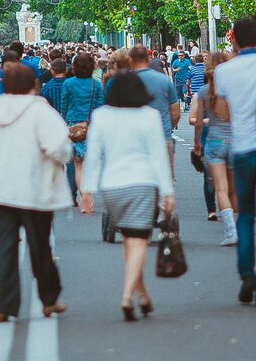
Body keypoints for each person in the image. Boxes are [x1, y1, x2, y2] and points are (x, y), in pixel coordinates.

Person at [0, 62, 70, 323]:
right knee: (40, 246)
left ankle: (4, 304)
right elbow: (57, 146)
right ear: (33, 84)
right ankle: (49, 299)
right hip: (34, 190)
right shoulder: (41, 111)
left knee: (1, 248)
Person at [81, 70, 175, 321]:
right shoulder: (149, 116)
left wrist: (87, 190)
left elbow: (93, 154)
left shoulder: (101, 116)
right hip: (142, 183)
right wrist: (167, 191)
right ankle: (126, 296)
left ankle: (142, 295)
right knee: (139, 241)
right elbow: (158, 156)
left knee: (129, 240)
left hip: (112, 186)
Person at [211, 17, 256, 305]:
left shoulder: (224, 71)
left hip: (242, 148)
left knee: (246, 214)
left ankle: (246, 275)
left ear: (234, 41)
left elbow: (223, 113)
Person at [191, 51, 241, 248]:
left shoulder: (204, 91)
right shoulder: (235, 90)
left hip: (214, 142)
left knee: (220, 188)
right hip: (235, 141)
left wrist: (197, 143)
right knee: (234, 190)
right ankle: (239, 227)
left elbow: (198, 123)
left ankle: (230, 231)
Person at [110, 45, 179, 171]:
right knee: (166, 177)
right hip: (162, 136)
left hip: (133, 140)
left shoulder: (124, 82)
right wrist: (168, 127)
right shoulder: (163, 80)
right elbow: (175, 111)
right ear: (148, 59)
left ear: (130, 60)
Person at [58, 54, 105, 198]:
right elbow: (100, 107)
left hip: (73, 124)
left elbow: (64, 104)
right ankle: (87, 194)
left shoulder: (68, 83)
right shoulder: (96, 85)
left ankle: (79, 194)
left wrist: (64, 121)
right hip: (91, 124)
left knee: (76, 163)